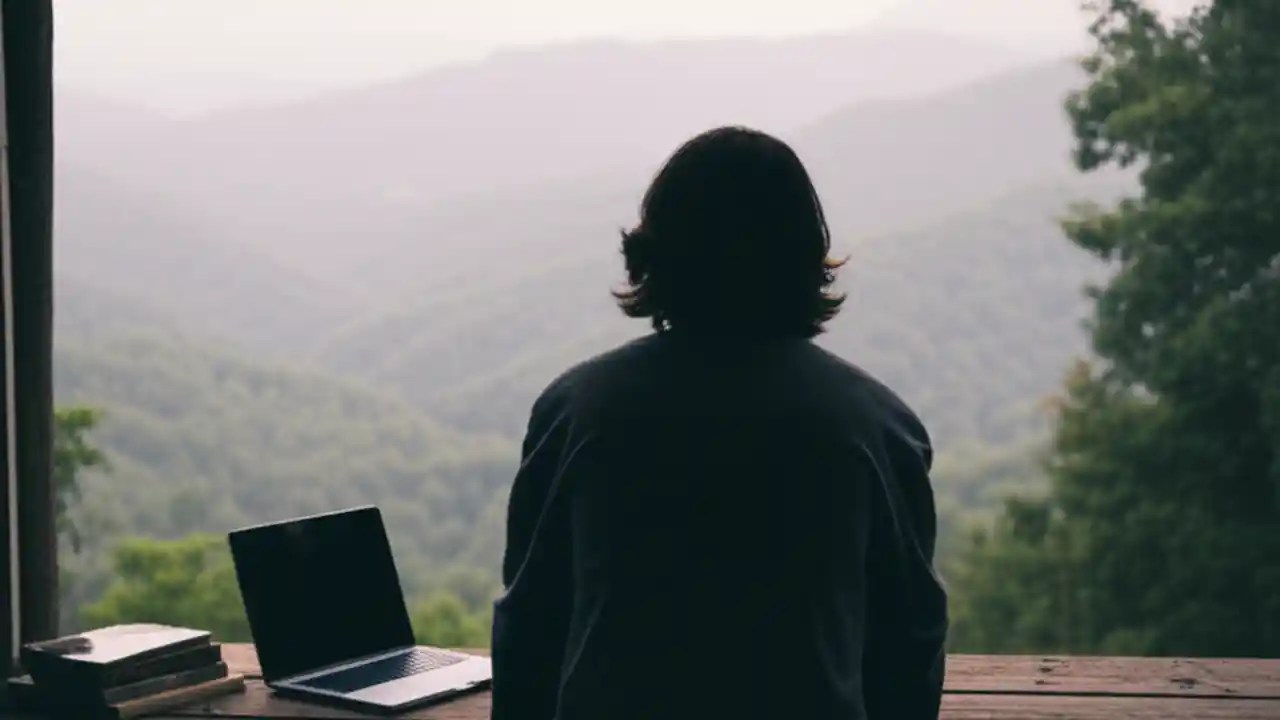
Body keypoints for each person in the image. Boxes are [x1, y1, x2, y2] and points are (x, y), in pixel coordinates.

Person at [490, 126, 947, 720]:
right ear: (805, 253)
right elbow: (909, 647)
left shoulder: (574, 413)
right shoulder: (881, 429)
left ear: (655, 252)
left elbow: (530, 629)